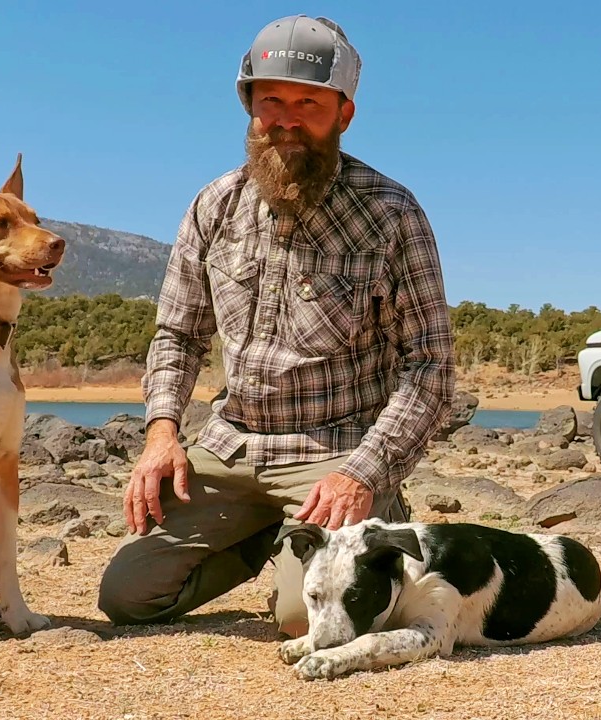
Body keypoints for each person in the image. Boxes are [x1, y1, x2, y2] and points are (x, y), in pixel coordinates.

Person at [96, 15, 455, 632]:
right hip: (232, 448)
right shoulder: (214, 206)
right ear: (250, 108)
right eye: (272, 102)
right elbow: (178, 336)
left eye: (309, 104)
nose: (287, 120)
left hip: (335, 453)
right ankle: (270, 534)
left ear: (344, 114)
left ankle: (356, 526)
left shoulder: (392, 214)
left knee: (302, 619)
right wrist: (161, 435)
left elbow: (430, 369)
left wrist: (361, 474)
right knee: (127, 597)